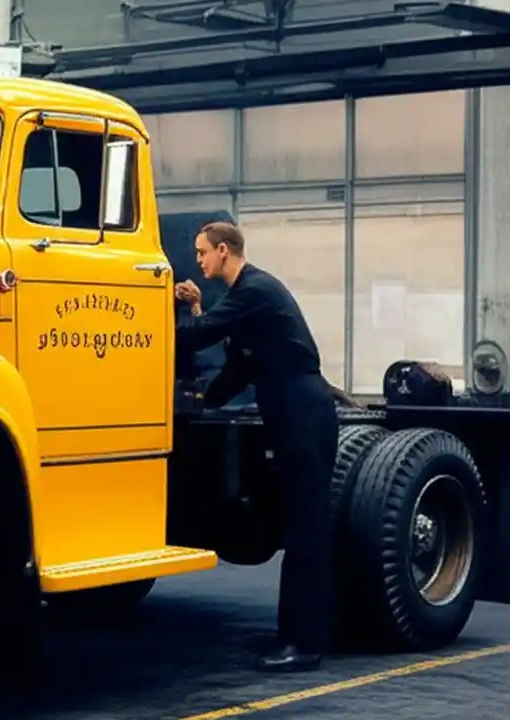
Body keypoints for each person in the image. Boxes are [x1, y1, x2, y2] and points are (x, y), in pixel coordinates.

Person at [173, 221, 339, 673]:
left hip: (303, 412)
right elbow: (240, 365)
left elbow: (198, 335)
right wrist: (202, 402)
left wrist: (180, 311)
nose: (199, 260)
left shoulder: (257, 290)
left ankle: (303, 646)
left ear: (224, 251)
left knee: (306, 532)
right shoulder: (248, 297)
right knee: (300, 527)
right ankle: (299, 635)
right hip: (291, 412)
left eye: (202, 252)